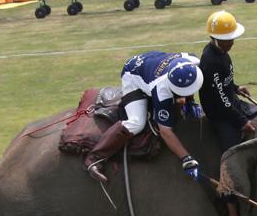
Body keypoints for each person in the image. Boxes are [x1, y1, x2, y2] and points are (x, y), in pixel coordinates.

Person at [84, 51, 204, 185]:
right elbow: (165, 132)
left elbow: (190, 83)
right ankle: (94, 158)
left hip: (152, 61)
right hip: (133, 74)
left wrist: (189, 101)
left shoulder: (193, 61)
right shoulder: (161, 91)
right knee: (136, 123)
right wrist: (186, 159)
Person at [199, 10, 256, 216]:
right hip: (222, 116)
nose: (232, 41)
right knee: (230, 162)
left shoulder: (222, 53)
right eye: (228, 38)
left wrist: (236, 87)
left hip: (230, 105)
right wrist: (241, 122)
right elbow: (221, 101)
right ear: (217, 39)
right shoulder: (211, 60)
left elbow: (224, 86)